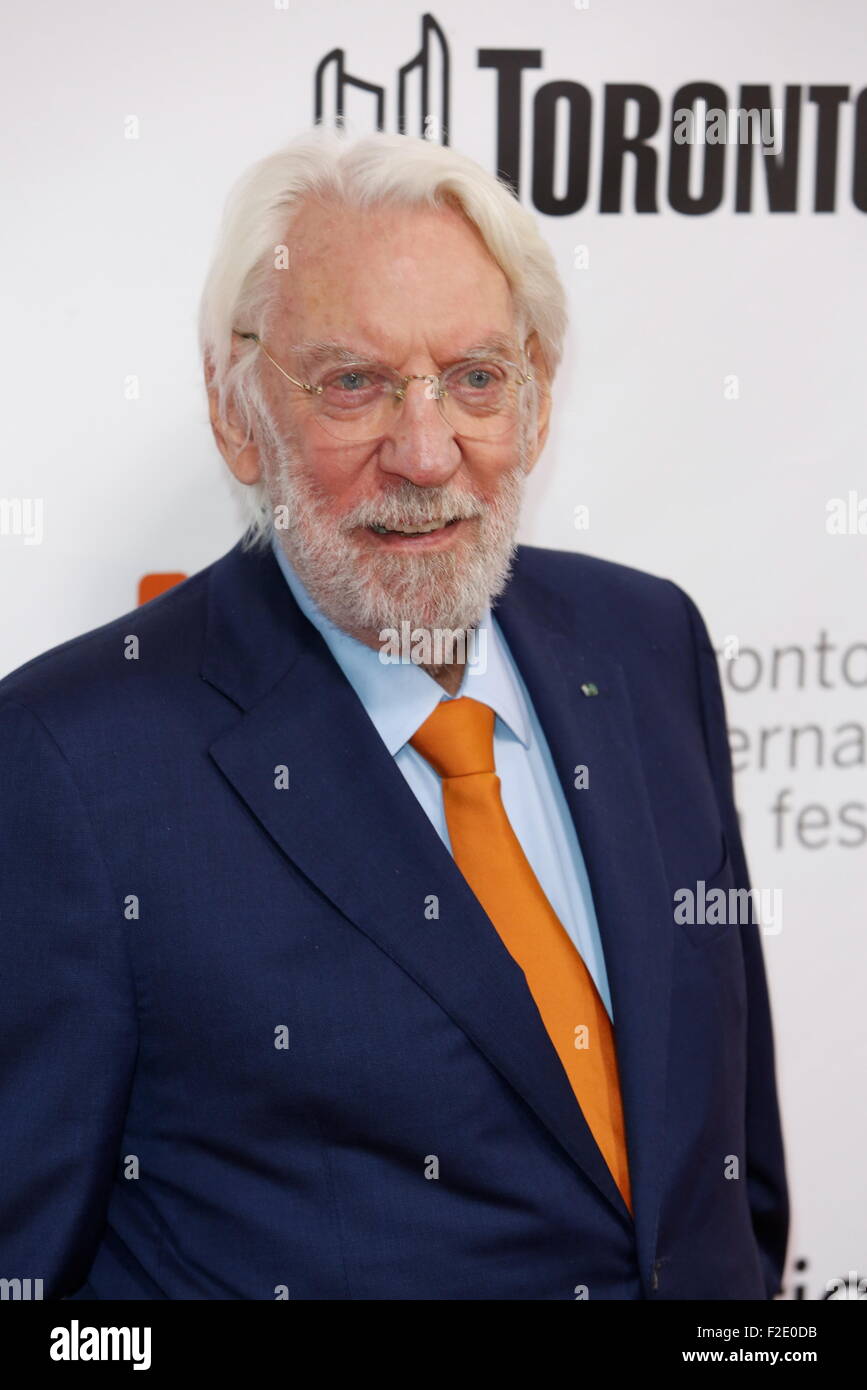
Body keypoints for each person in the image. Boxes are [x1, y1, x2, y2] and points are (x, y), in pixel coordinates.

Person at [0, 126, 788, 1300]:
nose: (427, 454)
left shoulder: (644, 643)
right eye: (352, 384)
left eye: (476, 378)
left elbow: (726, 1166)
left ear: (537, 395)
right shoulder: (71, 762)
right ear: (234, 408)